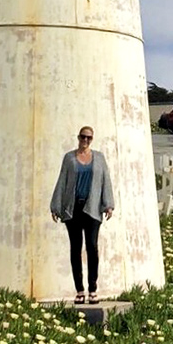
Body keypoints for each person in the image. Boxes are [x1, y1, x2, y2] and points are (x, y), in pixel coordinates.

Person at [50, 126, 114, 304]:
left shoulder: (99, 158)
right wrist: (55, 206)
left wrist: (108, 204)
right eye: (83, 137)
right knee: (75, 248)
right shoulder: (69, 158)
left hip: (92, 207)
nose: (85, 140)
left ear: (92, 140)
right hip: (73, 208)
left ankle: (93, 288)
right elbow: (62, 180)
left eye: (89, 138)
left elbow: (105, 180)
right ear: (78, 137)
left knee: (92, 247)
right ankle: (79, 290)